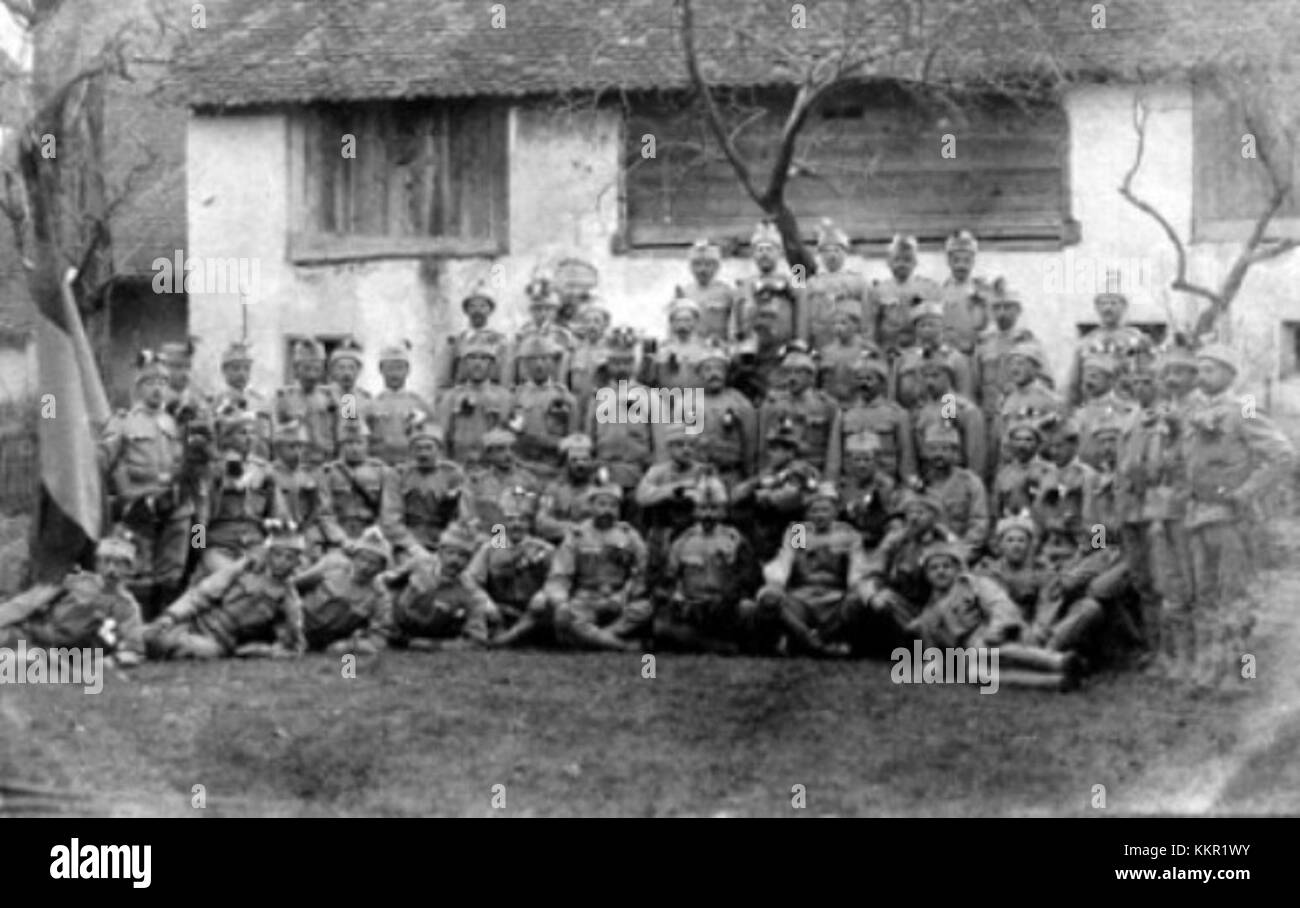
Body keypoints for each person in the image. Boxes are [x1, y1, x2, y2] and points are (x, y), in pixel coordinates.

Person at [1183, 343, 1295, 689]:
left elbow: (1283, 455)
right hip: (1198, 514)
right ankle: (1209, 670)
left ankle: (1243, 673)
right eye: (1199, 369)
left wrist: (1245, 493)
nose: (1202, 376)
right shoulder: (1195, 410)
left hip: (1232, 518)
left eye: (1211, 369)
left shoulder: (1243, 407)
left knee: (1236, 597)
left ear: (1230, 374)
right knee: (1206, 596)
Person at [908, 542, 1083, 690]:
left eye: (946, 566)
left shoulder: (973, 584)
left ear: (956, 568)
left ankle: (1058, 662)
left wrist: (995, 630)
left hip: (998, 638)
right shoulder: (929, 614)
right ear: (927, 575)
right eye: (934, 568)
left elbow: (1000, 604)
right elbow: (933, 653)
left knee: (985, 650)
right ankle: (1056, 682)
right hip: (969, 657)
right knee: (977, 674)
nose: (941, 572)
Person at [99, 351, 195, 619]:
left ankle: (165, 624)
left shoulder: (176, 422)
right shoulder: (123, 421)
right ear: (139, 387)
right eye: (151, 383)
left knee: (176, 567)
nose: (158, 389)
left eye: (163, 383)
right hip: (140, 508)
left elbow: (192, 464)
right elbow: (104, 461)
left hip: (176, 507)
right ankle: (137, 625)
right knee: (140, 568)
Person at [145, 521, 306, 660]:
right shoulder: (214, 488)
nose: (282, 562)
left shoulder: (266, 485)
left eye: (289, 559)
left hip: (254, 552)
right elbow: (200, 521)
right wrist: (197, 552)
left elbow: (278, 523)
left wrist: (264, 550)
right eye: (280, 556)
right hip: (217, 549)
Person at [756, 482, 871, 658]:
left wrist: (855, 585)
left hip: (835, 596)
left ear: (835, 512)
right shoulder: (799, 532)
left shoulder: (847, 533)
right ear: (807, 513)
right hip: (802, 595)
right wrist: (776, 583)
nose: (819, 515)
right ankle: (812, 641)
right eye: (814, 510)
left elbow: (858, 565)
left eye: (825, 510)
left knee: (858, 600)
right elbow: (785, 561)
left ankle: (812, 642)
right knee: (769, 598)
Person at [657, 475, 764, 653]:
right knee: (660, 628)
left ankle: (703, 643)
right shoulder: (682, 539)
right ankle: (716, 646)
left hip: (724, 606)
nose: (708, 515)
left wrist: (728, 599)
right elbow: (669, 577)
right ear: (695, 511)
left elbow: (748, 576)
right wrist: (677, 598)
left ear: (723, 511)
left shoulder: (735, 538)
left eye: (714, 509)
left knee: (749, 610)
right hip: (691, 606)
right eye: (703, 508)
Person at [0, 533, 145, 665]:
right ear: (97, 563)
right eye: (106, 561)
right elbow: (26, 603)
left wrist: (102, 663)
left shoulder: (127, 606)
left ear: (129, 568)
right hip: (36, 635)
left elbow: (134, 652)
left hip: (67, 654)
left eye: (119, 563)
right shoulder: (74, 581)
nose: (111, 569)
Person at [544, 483, 652, 652]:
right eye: (602, 504)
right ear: (591, 506)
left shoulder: (630, 535)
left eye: (613, 505)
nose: (607, 510)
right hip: (586, 599)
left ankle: (594, 639)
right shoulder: (576, 535)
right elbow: (559, 575)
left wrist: (623, 594)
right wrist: (561, 601)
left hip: (620, 600)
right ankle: (621, 645)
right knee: (564, 616)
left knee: (645, 608)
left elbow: (642, 572)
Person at [197, 407, 288, 575]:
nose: (249, 437)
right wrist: (198, 549)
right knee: (232, 579)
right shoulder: (213, 471)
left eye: (252, 433)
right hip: (219, 544)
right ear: (228, 438)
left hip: (255, 543)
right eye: (242, 433)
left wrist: (277, 543)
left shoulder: (263, 470)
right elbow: (200, 516)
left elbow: (278, 513)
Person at [467, 488, 558, 648]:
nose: (516, 525)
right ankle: (507, 636)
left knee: (549, 607)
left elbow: (558, 579)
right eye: (510, 520)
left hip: (532, 610)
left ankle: (505, 639)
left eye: (522, 520)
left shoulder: (544, 548)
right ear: (502, 523)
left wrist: (545, 593)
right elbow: (471, 580)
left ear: (529, 523)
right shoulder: (492, 546)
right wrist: (486, 601)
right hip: (500, 607)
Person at [385, 524, 491, 650]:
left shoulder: (472, 593)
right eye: (450, 552)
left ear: (470, 560)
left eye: (463, 556)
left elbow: (477, 641)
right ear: (440, 552)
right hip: (396, 623)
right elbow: (385, 581)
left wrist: (428, 645)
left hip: (434, 634)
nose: (455, 560)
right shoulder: (419, 563)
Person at [294, 527, 395, 654]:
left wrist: (349, 646)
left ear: (381, 568)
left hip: (326, 639)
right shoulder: (332, 564)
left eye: (372, 563)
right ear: (354, 557)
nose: (365, 567)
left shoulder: (380, 596)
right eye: (362, 559)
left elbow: (379, 639)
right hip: (298, 623)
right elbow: (294, 586)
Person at [380, 414, 468, 559]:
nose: (423, 454)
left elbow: (464, 516)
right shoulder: (398, 475)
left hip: (448, 541)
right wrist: (413, 547)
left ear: (439, 450)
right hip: (408, 543)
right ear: (411, 451)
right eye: (418, 448)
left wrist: (448, 542)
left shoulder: (452, 474)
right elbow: (390, 518)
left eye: (428, 448)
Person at [757, 349, 842, 478]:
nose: (791, 378)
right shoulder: (774, 405)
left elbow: (833, 450)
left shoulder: (827, 406)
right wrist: (764, 476)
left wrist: (829, 480)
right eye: (787, 373)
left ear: (811, 377)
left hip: (814, 473)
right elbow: (764, 448)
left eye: (798, 373)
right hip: (780, 475)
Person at [270, 419, 345, 561]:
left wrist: (338, 538)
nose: (298, 452)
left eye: (300, 447)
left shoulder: (311, 475)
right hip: (279, 534)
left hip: (308, 533)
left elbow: (321, 510)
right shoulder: (269, 474)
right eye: (292, 447)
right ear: (277, 449)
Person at [1063, 290, 1153, 408]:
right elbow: (1074, 382)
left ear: (1124, 307)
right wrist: (1070, 406)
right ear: (1097, 308)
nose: (1108, 308)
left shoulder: (1137, 339)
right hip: (1094, 405)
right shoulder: (1086, 342)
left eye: (1113, 303)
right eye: (1103, 303)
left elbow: (1147, 375)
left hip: (1127, 403)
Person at [509, 335, 579, 481]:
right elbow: (509, 434)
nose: (539, 365)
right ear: (524, 364)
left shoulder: (565, 398)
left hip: (553, 470)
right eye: (532, 360)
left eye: (544, 359)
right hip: (521, 469)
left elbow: (573, 441)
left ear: (553, 362)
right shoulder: (515, 397)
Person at [840, 351, 917, 484]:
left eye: (869, 379)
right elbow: (836, 455)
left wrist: (908, 481)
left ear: (882, 383)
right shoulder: (846, 414)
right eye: (859, 379)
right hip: (852, 482)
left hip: (886, 479)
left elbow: (906, 456)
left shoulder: (897, 414)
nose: (863, 383)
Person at [436, 335, 513, 467]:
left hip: (492, 469)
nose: (478, 364)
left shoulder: (505, 397)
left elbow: (510, 436)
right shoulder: (451, 397)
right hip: (460, 466)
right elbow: (442, 437)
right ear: (464, 363)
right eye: (472, 358)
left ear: (491, 364)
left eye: (483, 358)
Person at [694, 343, 759, 487]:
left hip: (730, 476)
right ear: (699, 374)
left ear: (726, 373)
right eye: (707, 369)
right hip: (696, 477)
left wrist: (749, 478)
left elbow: (750, 443)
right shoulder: (686, 403)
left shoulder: (740, 402)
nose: (713, 374)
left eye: (719, 368)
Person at [918, 422, 989, 554]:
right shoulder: (920, 484)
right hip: (926, 552)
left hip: (963, 550)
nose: (938, 454)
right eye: (933, 449)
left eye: (945, 449)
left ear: (955, 452)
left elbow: (979, 523)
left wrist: (962, 549)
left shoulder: (970, 482)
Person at [867, 234, 939, 357]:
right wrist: (873, 350)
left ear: (915, 262)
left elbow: (936, 324)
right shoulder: (878, 290)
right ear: (888, 262)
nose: (902, 264)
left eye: (907, 259)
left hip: (918, 351)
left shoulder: (929, 288)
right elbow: (871, 325)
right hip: (888, 350)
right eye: (897, 259)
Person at [322, 417, 391, 543]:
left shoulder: (381, 471)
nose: (354, 448)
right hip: (340, 533)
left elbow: (388, 510)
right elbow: (325, 513)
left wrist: (374, 533)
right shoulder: (330, 473)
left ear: (367, 445)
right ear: (341, 446)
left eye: (359, 443)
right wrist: (341, 539)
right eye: (349, 443)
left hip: (373, 533)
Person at [274, 339, 340, 469]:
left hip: (327, 464)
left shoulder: (338, 397)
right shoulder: (283, 397)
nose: (311, 374)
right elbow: (276, 437)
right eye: (307, 368)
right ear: (296, 369)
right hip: (296, 465)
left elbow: (349, 433)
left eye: (316, 368)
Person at [366, 341, 433, 466]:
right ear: (381, 370)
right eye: (390, 368)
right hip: (380, 466)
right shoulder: (368, 405)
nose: (395, 374)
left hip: (412, 467)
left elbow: (433, 439)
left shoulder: (421, 404)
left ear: (408, 370)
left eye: (399, 368)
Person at [738, 220, 803, 347]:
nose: (764, 254)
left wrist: (800, 339)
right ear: (754, 255)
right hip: (754, 346)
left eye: (769, 249)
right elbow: (736, 318)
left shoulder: (791, 280)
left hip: (784, 344)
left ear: (779, 253)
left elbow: (801, 307)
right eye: (760, 250)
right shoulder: (745, 283)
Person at [805, 218, 869, 349]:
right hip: (819, 342)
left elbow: (866, 317)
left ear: (845, 253)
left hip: (851, 344)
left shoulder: (858, 281)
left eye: (837, 250)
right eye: (826, 251)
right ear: (820, 255)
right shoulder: (811, 282)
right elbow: (804, 318)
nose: (832, 255)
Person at [462, 429, 540, 531]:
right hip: (484, 537)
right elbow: (468, 516)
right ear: (489, 454)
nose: (508, 454)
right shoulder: (476, 482)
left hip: (516, 537)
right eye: (501, 449)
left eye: (512, 449)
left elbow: (531, 517)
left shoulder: (528, 481)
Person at [837, 432, 901, 550]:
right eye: (857, 460)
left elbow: (890, 515)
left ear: (876, 461)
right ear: (849, 462)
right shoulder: (842, 485)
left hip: (879, 537)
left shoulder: (887, 485)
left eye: (867, 459)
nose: (862, 465)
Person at [439, 282, 509, 389]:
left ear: (489, 310)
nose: (477, 310)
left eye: (482, 306)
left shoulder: (500, 341)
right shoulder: (456, 341)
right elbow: (445, 379)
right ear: (467, 310)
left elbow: (506, 378)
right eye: (473, 306)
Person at [536, 434, 602, 545]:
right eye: (574, 460)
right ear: (565, 462)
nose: (580, 465)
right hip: (559, 544)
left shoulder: (601, 489)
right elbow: (541, 521)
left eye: (585, 459)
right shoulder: (553, 489)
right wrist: (572, 528)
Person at [209, 341, 272, 459]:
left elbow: (266, 435)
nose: (242, 373)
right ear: (224, 370)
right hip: (228, 460)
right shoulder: (216, 401)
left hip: (255, 460)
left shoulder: (259, 401)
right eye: (236, 368)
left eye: (246, 369)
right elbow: (214, 435)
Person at [676, 239, 744, 343]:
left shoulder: (727, 293)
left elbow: (735, 326)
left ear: (717, 267)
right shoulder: (684, 293)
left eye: (708, 264)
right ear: (690, 267)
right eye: (697, 264)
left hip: (719, 349)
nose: (702, 270)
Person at [937, 230, 991, 355]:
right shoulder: (939, 293)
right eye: (956, 260)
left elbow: (992, 325)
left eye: (966, 260)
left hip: (978, 354)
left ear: (973, 261)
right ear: (948, 261)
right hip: (949, 355)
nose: (961, 265)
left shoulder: (984, 291)